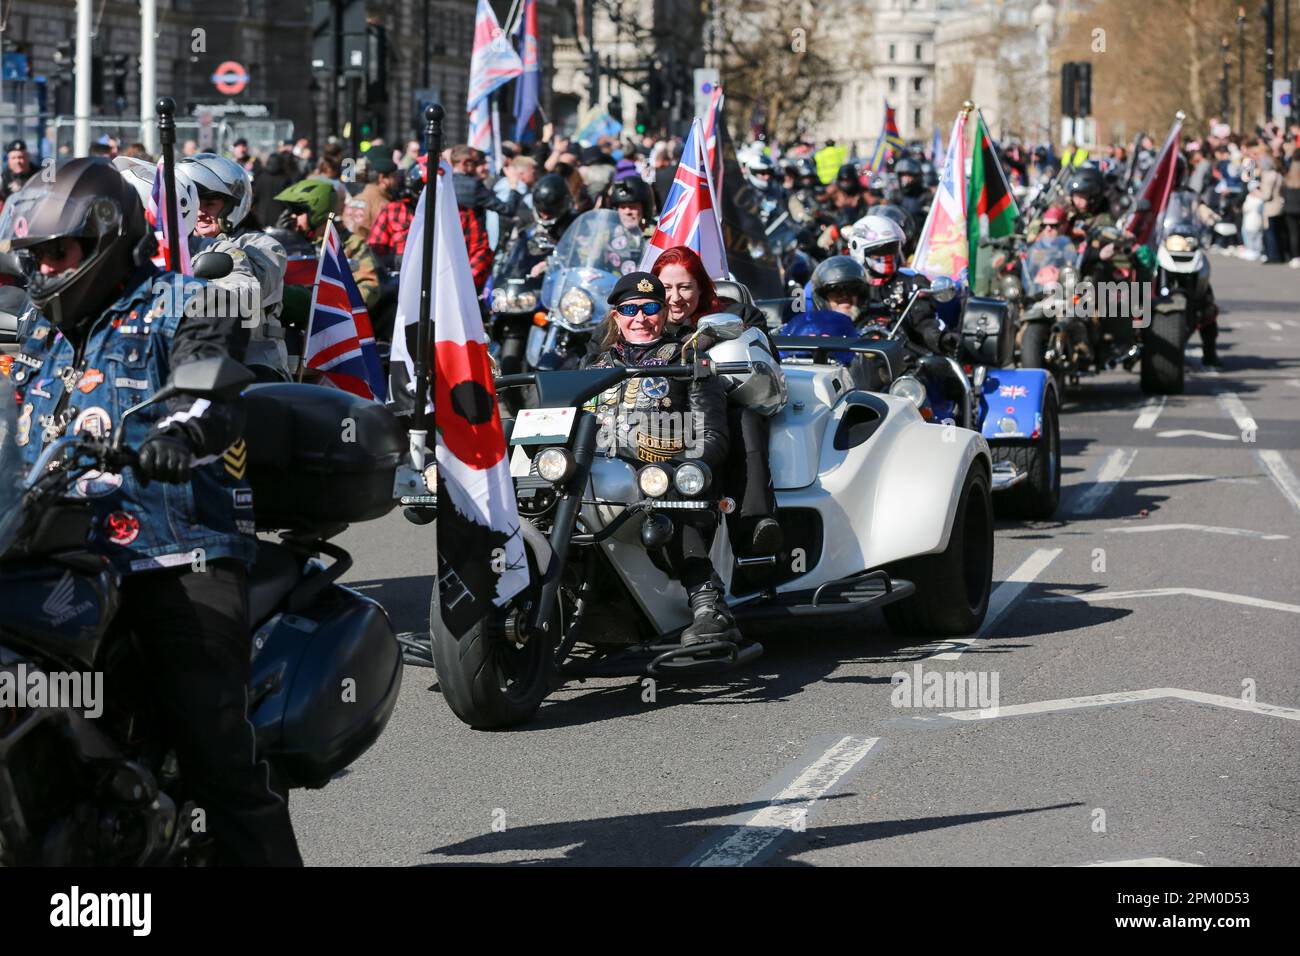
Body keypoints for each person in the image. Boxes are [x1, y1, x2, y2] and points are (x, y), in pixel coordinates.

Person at [0, 158, 301, 865]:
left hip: (171, 552)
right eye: (35, 257)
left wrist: (180, 433)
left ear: (107, 236)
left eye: (59, 253)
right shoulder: (41, 329)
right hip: (51, 547)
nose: (45, 269)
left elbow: (211, 392)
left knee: (216, 753)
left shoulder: (188, 300)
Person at [583, 271, 737, 646]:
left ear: (665, 311)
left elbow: (711, 434)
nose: (640, 318)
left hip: (660, 474)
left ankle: (709, 602)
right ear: (616, 317)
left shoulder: (688, 359)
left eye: (650, 307)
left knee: (666, 486)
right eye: (629, 309)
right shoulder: (592, 366)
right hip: (596, 474)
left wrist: (685, 465)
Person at [179, 152, 291, 379]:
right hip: (193, 354)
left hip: (253, 358)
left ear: (233, 205)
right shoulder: (182, 245)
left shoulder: (264, 247)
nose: (200, 212)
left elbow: (250, 291)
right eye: (193, 203)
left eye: (209, 204)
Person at [273, 177, 382, 309]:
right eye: (289, 212)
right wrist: (280, 237)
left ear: (318, 213)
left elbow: (369, 286)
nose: (291, 217)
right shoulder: (292, 242)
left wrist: (337, 309)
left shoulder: (349, 244)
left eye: (297, 211)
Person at [844, 217, 950, 353]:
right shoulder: (849, 285)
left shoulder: (912, 283)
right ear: (858, 250)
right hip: (854, 355)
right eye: (880, 251)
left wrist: (940, 338)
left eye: (891, 249)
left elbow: (924, 321)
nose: (887, 255)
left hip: (905, 358)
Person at [356, 154, 400, 235]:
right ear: (382, 178)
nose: (397, 179)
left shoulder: (355, 198)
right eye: (394, 176)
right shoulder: (383, 205)